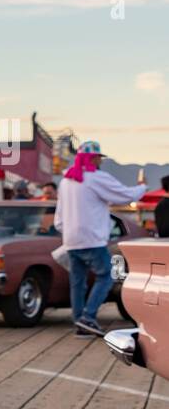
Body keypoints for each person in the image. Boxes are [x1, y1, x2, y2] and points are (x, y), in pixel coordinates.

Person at [55, 141, 145, 336]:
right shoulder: (95, 177)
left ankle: (80, 322)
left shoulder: (66, 181)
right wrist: (142, 188)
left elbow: (59, 217)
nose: (99, 161)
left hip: (71, 240)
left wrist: (67, 233)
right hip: (92, 239)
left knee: (77, 283)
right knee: (107, 276)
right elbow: (124, 195)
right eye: (98, 157)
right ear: (92, 158)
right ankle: (88, 316)